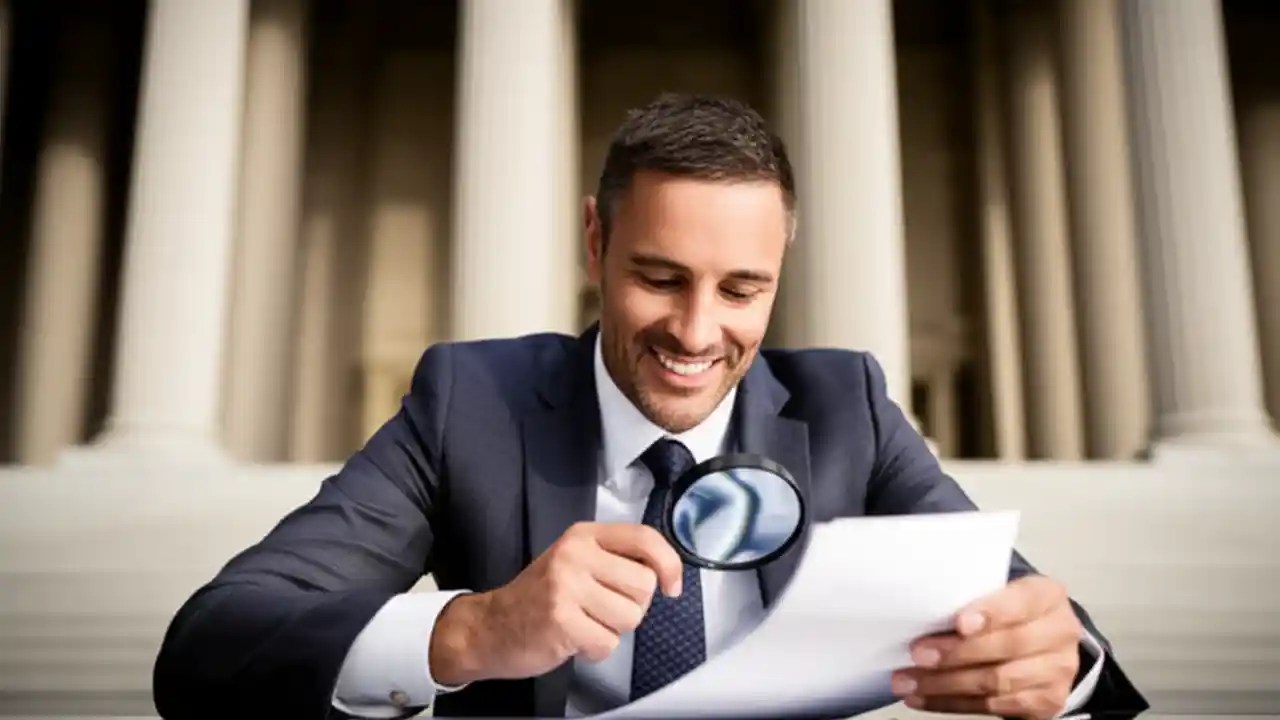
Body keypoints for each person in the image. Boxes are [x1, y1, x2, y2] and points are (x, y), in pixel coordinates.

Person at [152, 93, 1148, 719]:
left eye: (741, 288)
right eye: (658, 277)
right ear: (593, 243)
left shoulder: (845, 406)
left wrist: (1062, 668)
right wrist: (470, 632)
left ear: (779, 269)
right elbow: (210, 650)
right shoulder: (470, 402)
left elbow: (1055, 644)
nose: (696, 330)